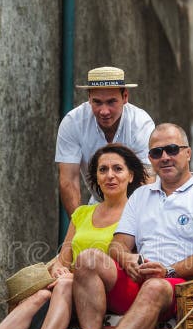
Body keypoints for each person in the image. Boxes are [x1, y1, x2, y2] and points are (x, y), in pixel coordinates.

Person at [61, 123, 193, 329]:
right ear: (150, 159)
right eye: (156, 152)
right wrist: (128, 258)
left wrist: (169, 270)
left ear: (188, 153)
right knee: (87, 258)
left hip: (183, 289)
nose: (164, 157)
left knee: (155, 286)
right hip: (139, 280)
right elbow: (117, 245)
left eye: (172, 149)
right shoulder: (141, 195)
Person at [0, 144, 148, 329]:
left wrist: (67, 277)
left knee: (65, 285)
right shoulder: (82, 214)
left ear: (131, 176)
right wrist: (58, 269)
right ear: (96, 178)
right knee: (40, 296)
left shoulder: (135, 215)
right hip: (69, 285)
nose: (110, 175)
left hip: (105, 290)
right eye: (103, 170)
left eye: (117, 169)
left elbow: (130, 260)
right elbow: (63, 259)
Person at [55, 66, 155, 216]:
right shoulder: (73, 122)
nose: (104, 111)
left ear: (125, 97)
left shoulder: (141, 123)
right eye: (97, 102)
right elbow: (69, 180)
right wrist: (79, 223)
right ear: (89, 97)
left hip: (137, 207)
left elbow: (147, 180)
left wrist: (130, 224)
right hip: (97, 204)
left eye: (111, 102)